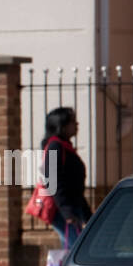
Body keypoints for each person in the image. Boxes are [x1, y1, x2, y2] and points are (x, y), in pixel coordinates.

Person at [41, 106, 90, 249]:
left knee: (75, 249)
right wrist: (67, 213)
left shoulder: (64, 146)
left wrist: (86, 214)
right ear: (61, 125)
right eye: (72, 121)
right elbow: (53, 181)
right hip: (63, 209)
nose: (77, 124)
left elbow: (74, 185)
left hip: (72, 207)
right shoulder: (55, 146)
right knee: (77, 250)